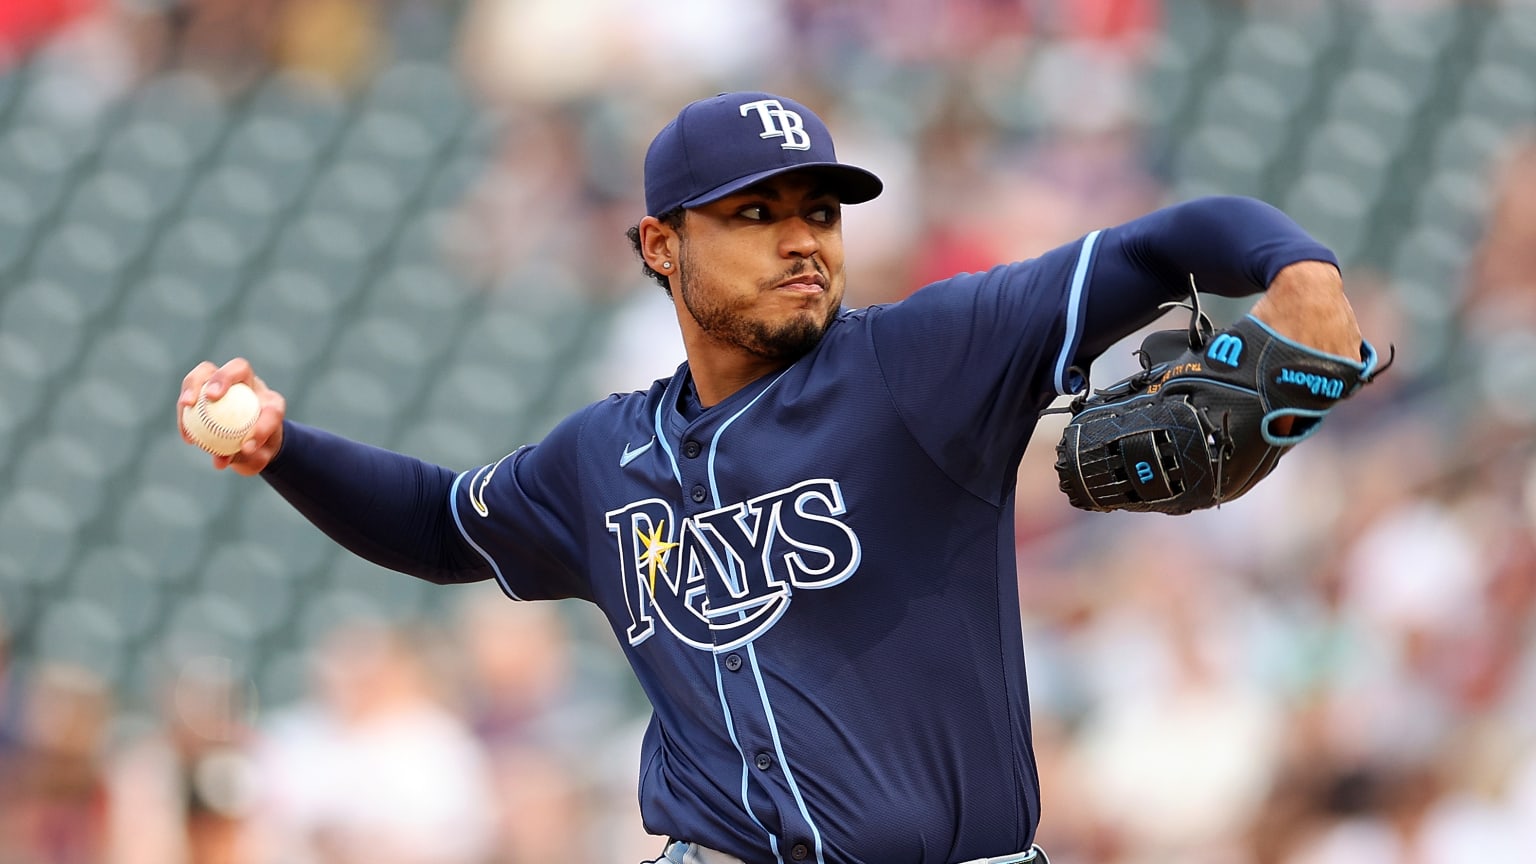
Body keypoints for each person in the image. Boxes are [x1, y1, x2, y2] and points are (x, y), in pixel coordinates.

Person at [177, 91, 1370, 864]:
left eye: (820, 210)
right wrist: (284, 451)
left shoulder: (925, 359)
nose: (804, 238)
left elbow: (1165, 242)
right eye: (756, 213)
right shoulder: (603, 457)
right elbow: (443, 524)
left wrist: (1295, 269)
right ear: (660, 245)